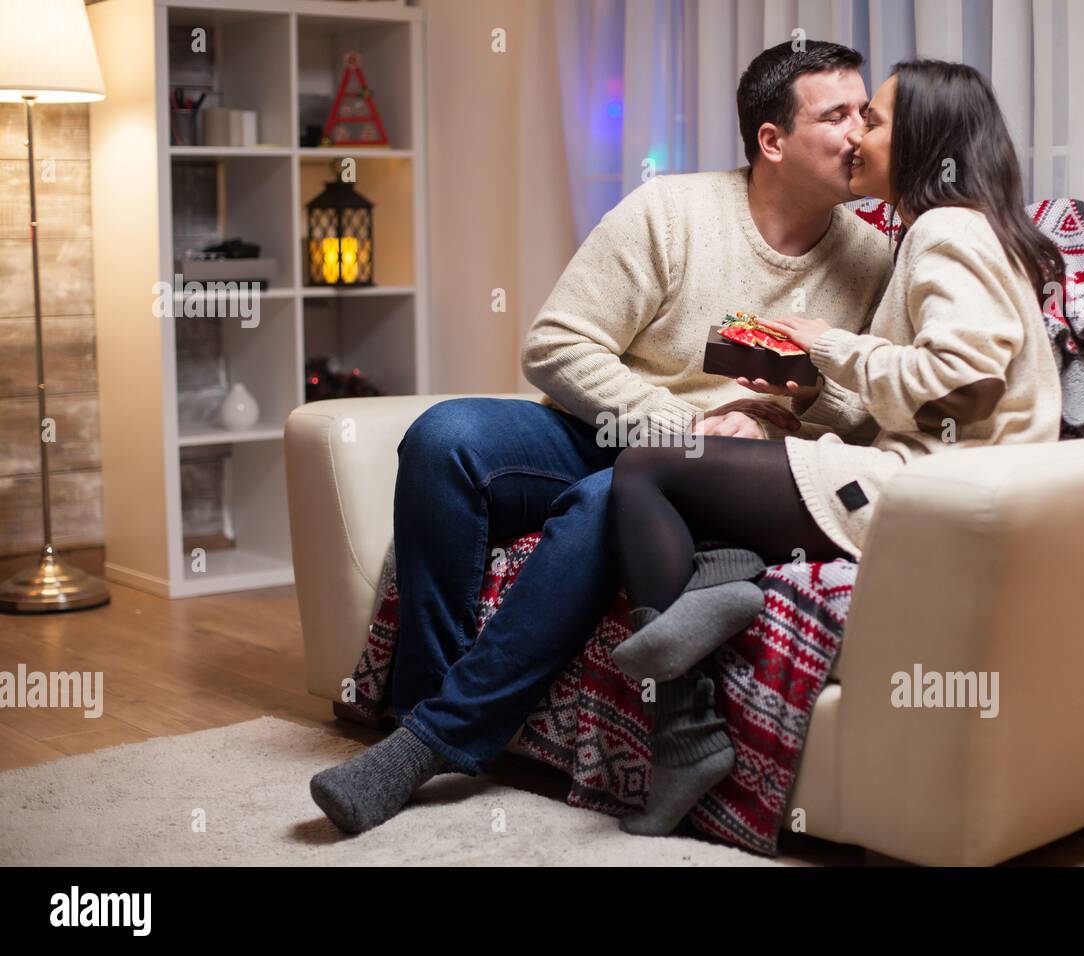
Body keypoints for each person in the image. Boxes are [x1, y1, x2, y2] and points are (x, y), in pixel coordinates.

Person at [308, 40, 895, 835]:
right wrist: (679, 423)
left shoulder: (874, 259)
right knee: (443, 438)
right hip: (616, 427)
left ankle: (432, 744)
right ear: (771, 140)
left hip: (719, 472)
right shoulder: (673, 212)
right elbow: (556, 346)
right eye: (837, 115)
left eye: (866, 113)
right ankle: (420, 707)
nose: (860, 131)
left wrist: (760, 421)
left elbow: (863, 413)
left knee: (606, 500)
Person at [606, 59, 1067, 836]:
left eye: (875, 121)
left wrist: (831, 347)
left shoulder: (946, 229)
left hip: (921, 488)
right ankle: (723, 583)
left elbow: (964, 374)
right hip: (923, 472)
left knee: (648, 465)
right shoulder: (962, 226)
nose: (857, 137)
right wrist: (790, 402)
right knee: (716, 458)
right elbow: (931, 386)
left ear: (924, 140)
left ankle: (682, 733)